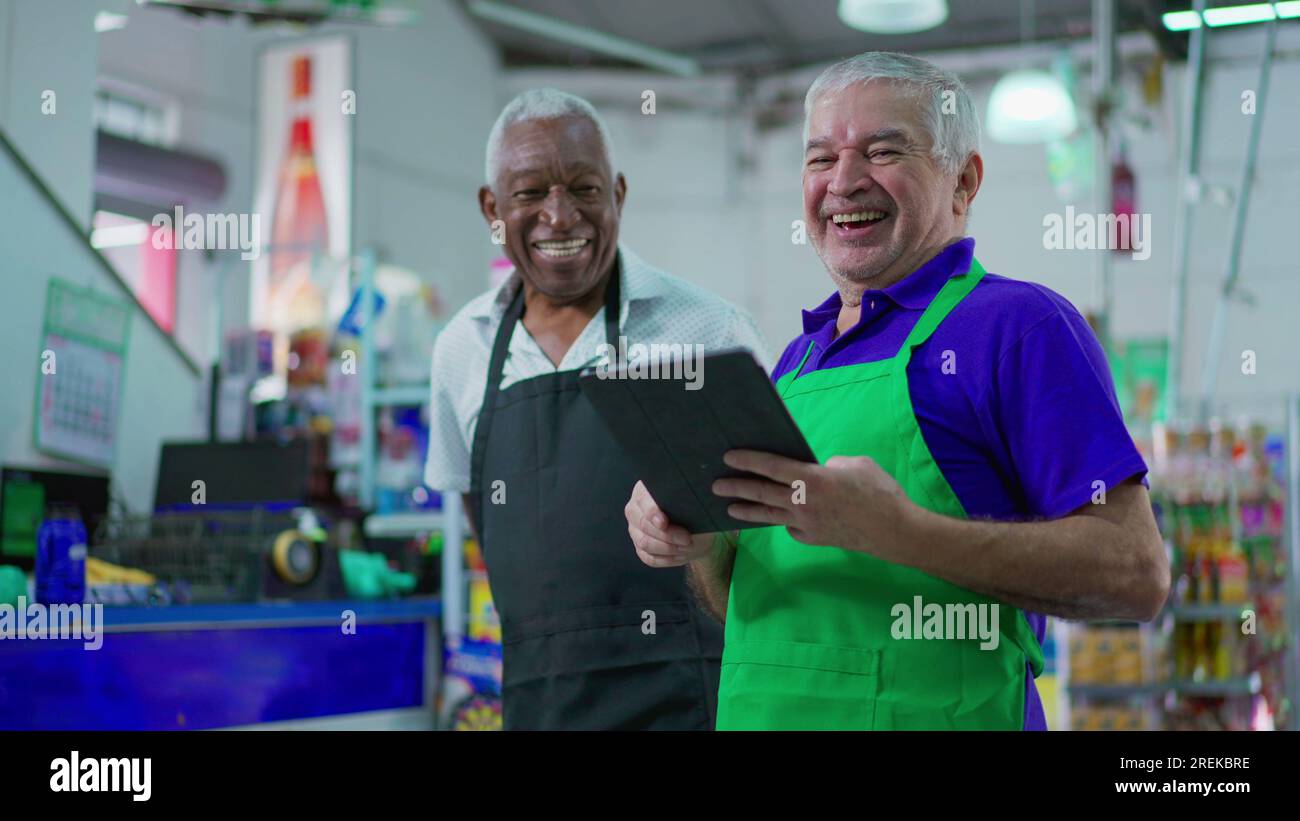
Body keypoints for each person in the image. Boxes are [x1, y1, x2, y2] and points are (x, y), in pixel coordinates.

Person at [625, 52, 1169, 730]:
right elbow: (747, 600)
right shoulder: (793, 365)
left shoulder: (1018, 328)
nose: (844, 182)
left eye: (883, 150)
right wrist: (699, 541)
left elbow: (1135, 572)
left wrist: (898, 531)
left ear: (962, 182)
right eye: (820, 159)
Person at [425, 89, 767, 730]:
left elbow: (766, 537)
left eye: (583, 189)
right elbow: (491, 526)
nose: (560, 217)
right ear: (491, 209)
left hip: (690, 701)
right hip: (537, 703)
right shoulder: (460, 352)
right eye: (530, 194)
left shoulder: (707, 330)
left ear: (619, 194)